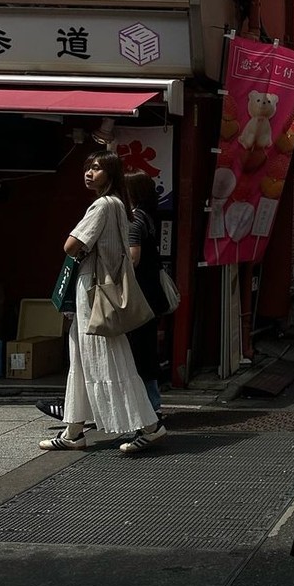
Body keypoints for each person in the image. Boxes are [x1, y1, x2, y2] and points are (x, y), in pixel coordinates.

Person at [38, 152, 166, 455]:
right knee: (84, 359)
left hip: (93, 291)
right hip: (101, 290)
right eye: (88, 167)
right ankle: (73, 432)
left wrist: (82, 249)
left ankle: (151, 426)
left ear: (111, 174)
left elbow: (70, 245)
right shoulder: (120, 205)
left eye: (96, 168)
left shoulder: (102, 206)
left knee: (107, 358)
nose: (89, 173)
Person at [125, 170, 167, 419]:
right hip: (151, 296)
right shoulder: (148, 217)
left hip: (139, 296)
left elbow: (133, 258)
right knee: (146, 349)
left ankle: (148, 406)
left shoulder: (134, 220)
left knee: (138, 350)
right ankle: (153, 404)